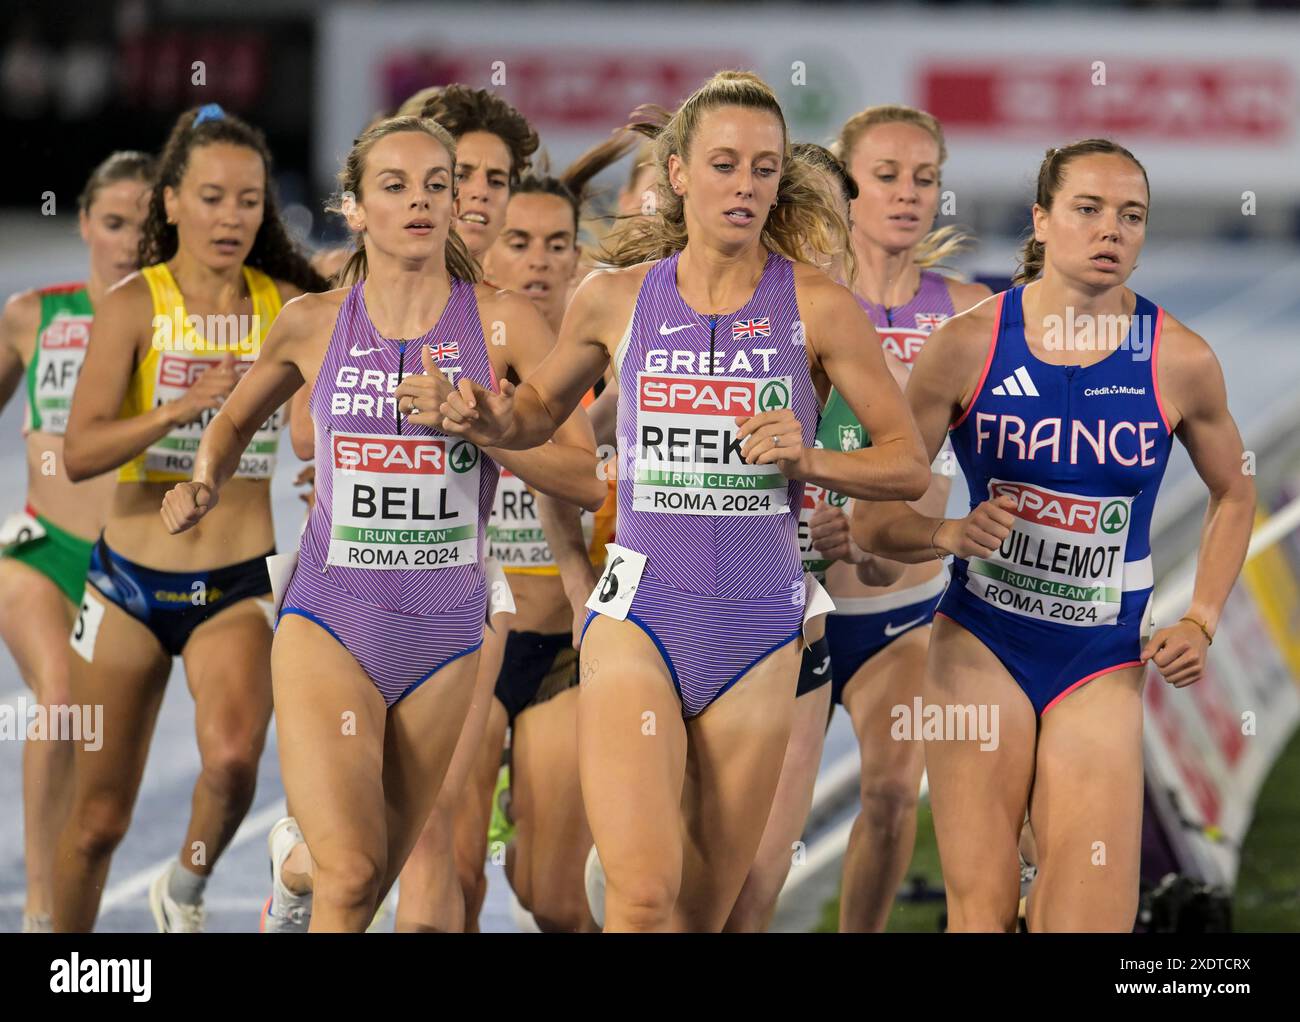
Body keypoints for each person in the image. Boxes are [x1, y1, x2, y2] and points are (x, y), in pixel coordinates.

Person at [428, 70, 930, 931]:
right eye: (725, 164)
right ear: (677, 174)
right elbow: (538, 412)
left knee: (707, 911)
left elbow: (906, 464)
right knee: (644, 898)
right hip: (639, 612)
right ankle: (626, 886)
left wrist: (807, 457)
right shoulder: (615, 298)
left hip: (760, 626)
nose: (745, 185)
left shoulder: (819, 307)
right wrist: (485, 415)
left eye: (764, 168)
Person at [178, 114, 596, 933]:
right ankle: (312, 871)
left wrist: (483, 427)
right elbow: (232, 422)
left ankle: (293, 872)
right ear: (355, 208)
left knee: (368, 886)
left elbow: (582, 475)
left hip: (447, 634)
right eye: (395, 187)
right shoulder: (316, 321)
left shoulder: (504, 323)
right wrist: (203, 478)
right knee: (353, 871)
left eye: (437, 187)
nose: (421, 203)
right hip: (331, 618)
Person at [853, 139, 1256, 931]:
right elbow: (876, 523)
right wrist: (948, 531)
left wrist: (1202, 617)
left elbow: (1234, 493)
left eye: (1131, 216)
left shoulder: (1179, 359)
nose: (1112, 230)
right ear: (1041, 220)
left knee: (1090, 918)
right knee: (981, 911)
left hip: (1100, 659)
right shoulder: (965, 346)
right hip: (979, 647)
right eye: (1088, 209)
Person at [52, 104, 324, 933]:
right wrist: (179, 410)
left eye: (249, 200)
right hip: (125, 583)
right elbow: (79, 452)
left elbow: (317, 429)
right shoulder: (137, 304)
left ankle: (187, 884)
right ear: (170, 203)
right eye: (211, 198)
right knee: (97, 822)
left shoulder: (288, 304)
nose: (231, 218)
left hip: (237, 579)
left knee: (238, 761)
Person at [450, 136, 632, 932]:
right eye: (518, 242)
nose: (539, 262)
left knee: (553, 894)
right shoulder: (453, 349)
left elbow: (590, 485)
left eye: (558, 244)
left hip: (567, 648)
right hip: (465, 648)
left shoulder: (616, 360)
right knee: (452, 877)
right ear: (485, 243)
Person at [825, 105, 991, 932]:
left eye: (924, 179)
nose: (908, 194)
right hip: (788, 612)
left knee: (892, 795)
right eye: (884, 176)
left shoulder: (970, 315)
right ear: (842, 186)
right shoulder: (797, 300)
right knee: (748, 857)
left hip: (905, 610)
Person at [0, 150, 154, 933]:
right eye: (115, 222)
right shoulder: (34, 313)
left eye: (144, 225)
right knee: (56, 703)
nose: (128, 241)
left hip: (125, 566)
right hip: (38, 548)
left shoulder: (173, 318)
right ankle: (38, 912)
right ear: (86, 222)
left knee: (104, 745)